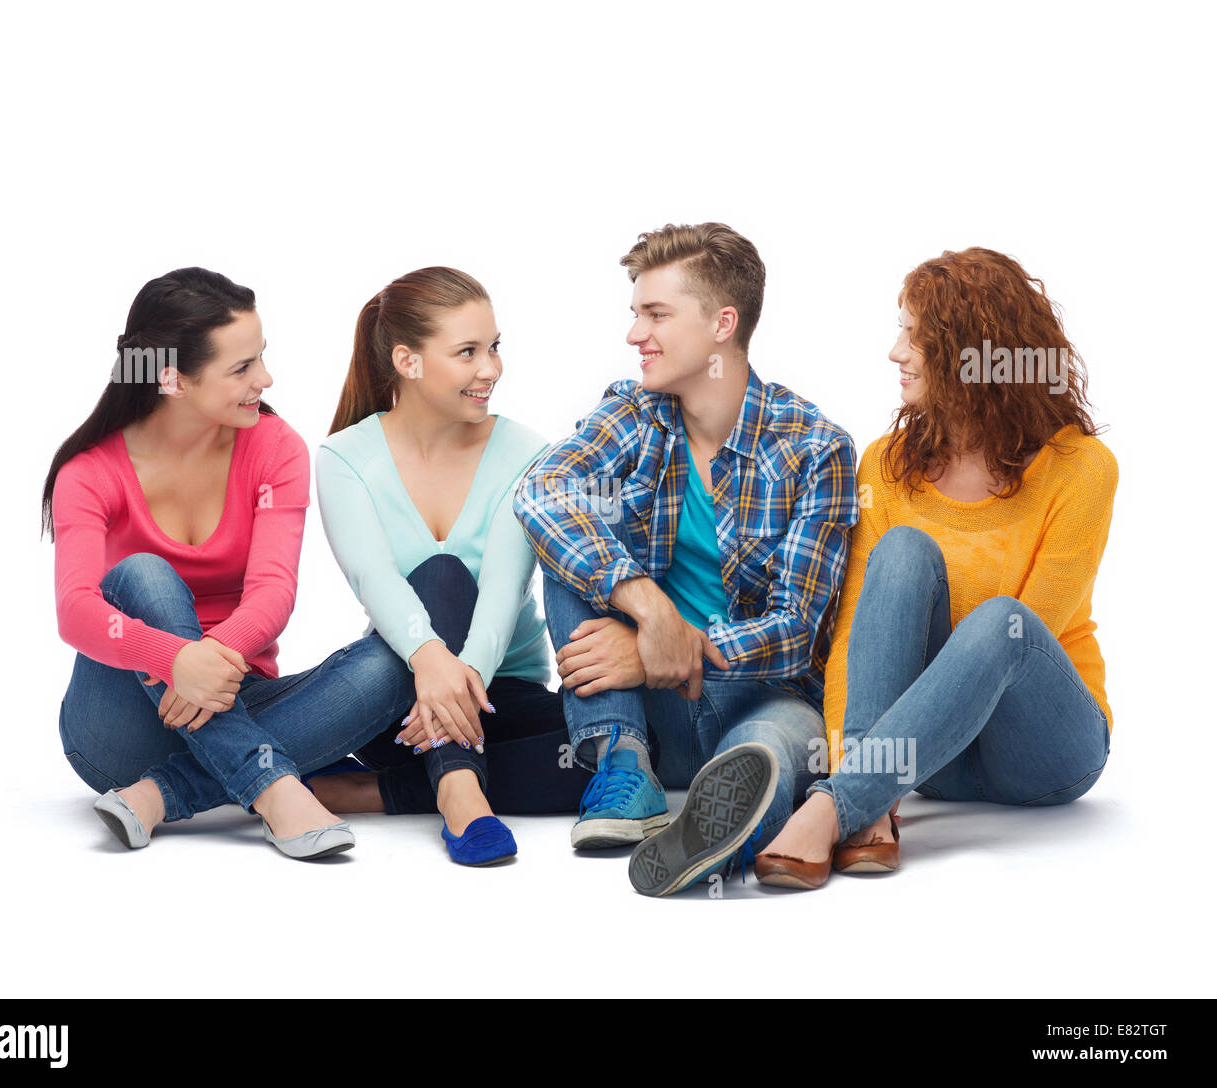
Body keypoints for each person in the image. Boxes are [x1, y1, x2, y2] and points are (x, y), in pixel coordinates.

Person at [752, 247, 1117, 889]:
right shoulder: (886, 464)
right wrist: (858, 760)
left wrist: (838, 787)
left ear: (972, 352)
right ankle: (867, 809)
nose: (896, 352)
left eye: (915, 335)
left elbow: (1031, 636)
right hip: (927, 762)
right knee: (901, 552)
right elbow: (851, 643)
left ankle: (832, 808)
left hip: (1044, 747)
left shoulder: (1082, 469)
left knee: (1005, 621)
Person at [513, 223, 860, 896]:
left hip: (759, 695)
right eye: (635, 313)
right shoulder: (635, 413)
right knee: (578, 528)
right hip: (644, 710)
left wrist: (663, 648)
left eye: (656, 315)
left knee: (773, 745)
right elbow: (540, 490)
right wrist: (649, 609)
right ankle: (622, 762)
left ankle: (724, 822)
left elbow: (798, 630)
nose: (635, 334)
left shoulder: (816, 448)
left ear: (722, 324)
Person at [47, 266, 361, 859]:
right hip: (117, 731)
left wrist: (205, 666)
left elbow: (273, 592)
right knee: (143, 575)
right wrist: (173, 660)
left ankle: (161, 796)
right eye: (241, 369)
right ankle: (271, 785)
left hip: (233, 693)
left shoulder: (275, 448)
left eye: (260, 357)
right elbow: (75, 611)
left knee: (393, 665)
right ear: (173, 379)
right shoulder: (89, 472)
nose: (265, 379)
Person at [303, 266, 593, 864]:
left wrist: (459, 687)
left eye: (494, 347)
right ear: (408, 362)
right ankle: (461, 794)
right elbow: (374, 580)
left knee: (613, 747)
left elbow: (505, 589)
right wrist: (431, 663)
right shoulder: (345, 457)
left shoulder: (527, 452)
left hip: (491, 696)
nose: (491, 368)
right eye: (468, 352)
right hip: (406, 693)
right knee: (439, 574)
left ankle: (377, 790)